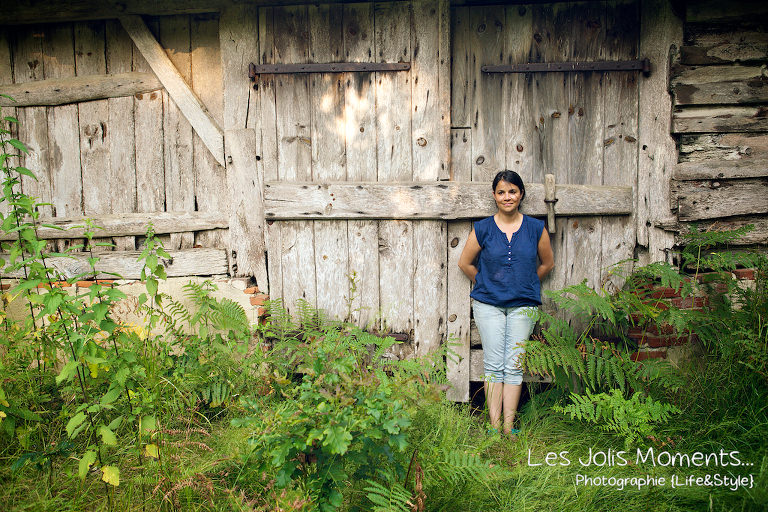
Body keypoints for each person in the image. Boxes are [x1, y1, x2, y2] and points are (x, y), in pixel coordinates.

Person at [458, 170, 554, 436]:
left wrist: (526, 283)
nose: (507, 197)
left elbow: (547, 263)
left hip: (523, 305)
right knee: (493, 365)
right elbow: (465, 263)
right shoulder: (483, 228)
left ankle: (509, 428)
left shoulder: (536, 228)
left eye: (512, 191)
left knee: (514, 365)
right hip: (488, 305)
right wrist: (485, 283)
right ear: (494, 195)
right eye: (501, 192)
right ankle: (494, 426)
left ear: (521, 194)